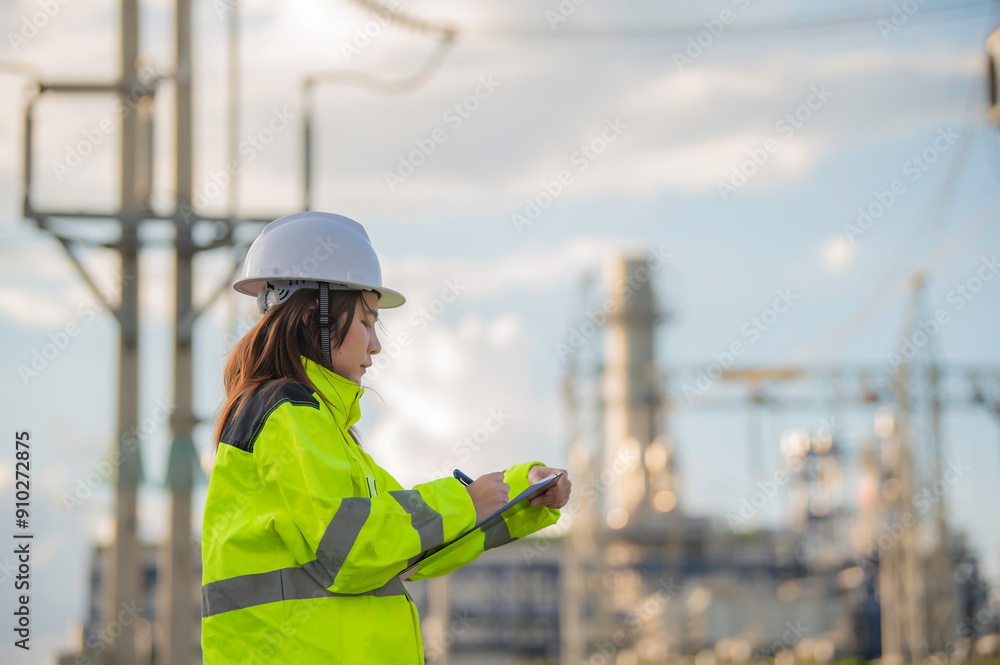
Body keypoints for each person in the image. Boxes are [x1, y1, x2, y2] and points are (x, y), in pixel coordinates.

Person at [200, 211, 572, 664]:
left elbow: (410, 546)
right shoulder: (286, 415)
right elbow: (349, 548)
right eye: (366, 322)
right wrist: (468, 501)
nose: (375, 345)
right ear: (313, 318)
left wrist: (519, 494)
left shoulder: (321, 429)